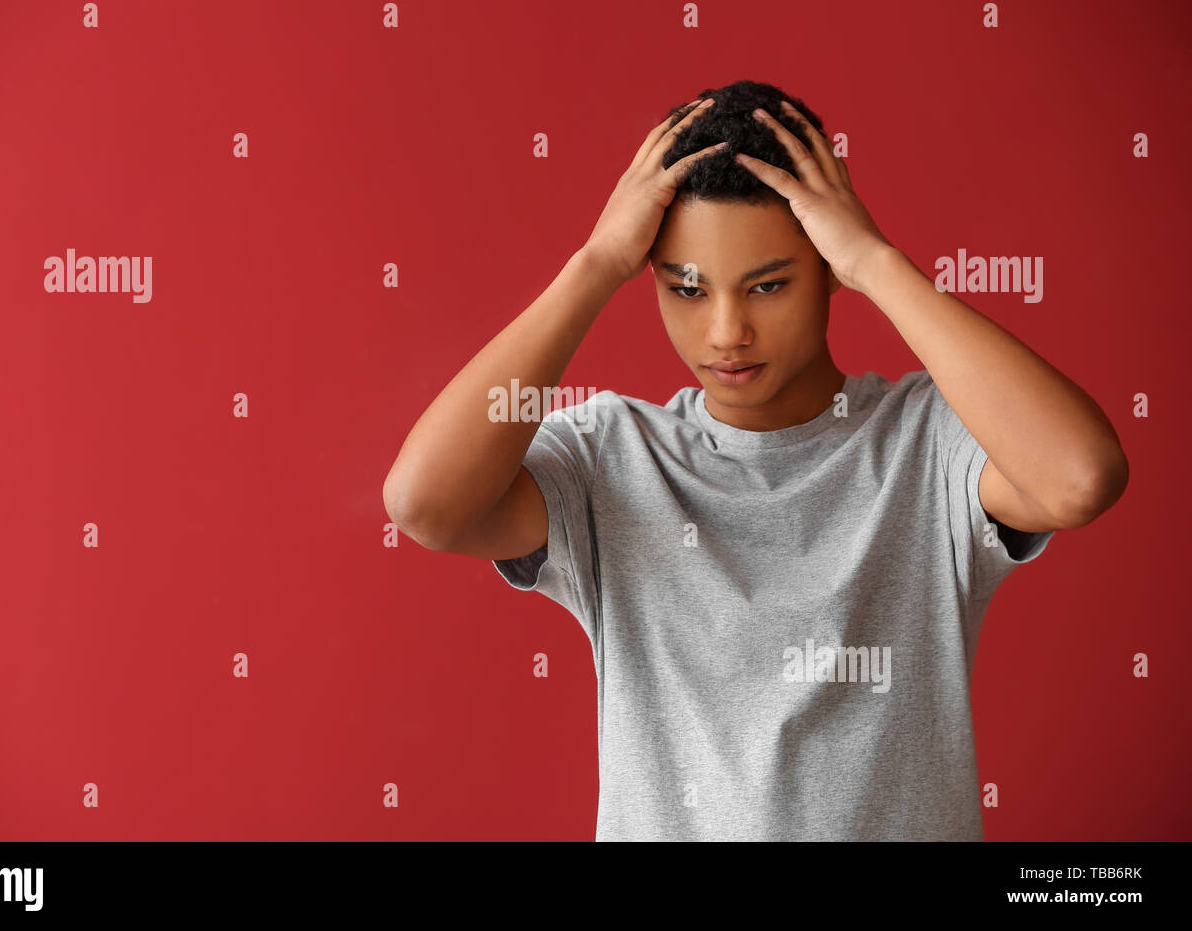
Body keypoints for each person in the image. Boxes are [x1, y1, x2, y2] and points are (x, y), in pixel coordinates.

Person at [382, 80, 1129, 841]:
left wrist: (877, 261)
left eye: (768, 285)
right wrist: (598, 261)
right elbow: (424, 505)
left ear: (828, 267)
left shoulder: (929, 441)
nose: (726, 331)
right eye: (687, 289)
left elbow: (1081, 477)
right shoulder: (610, 457)